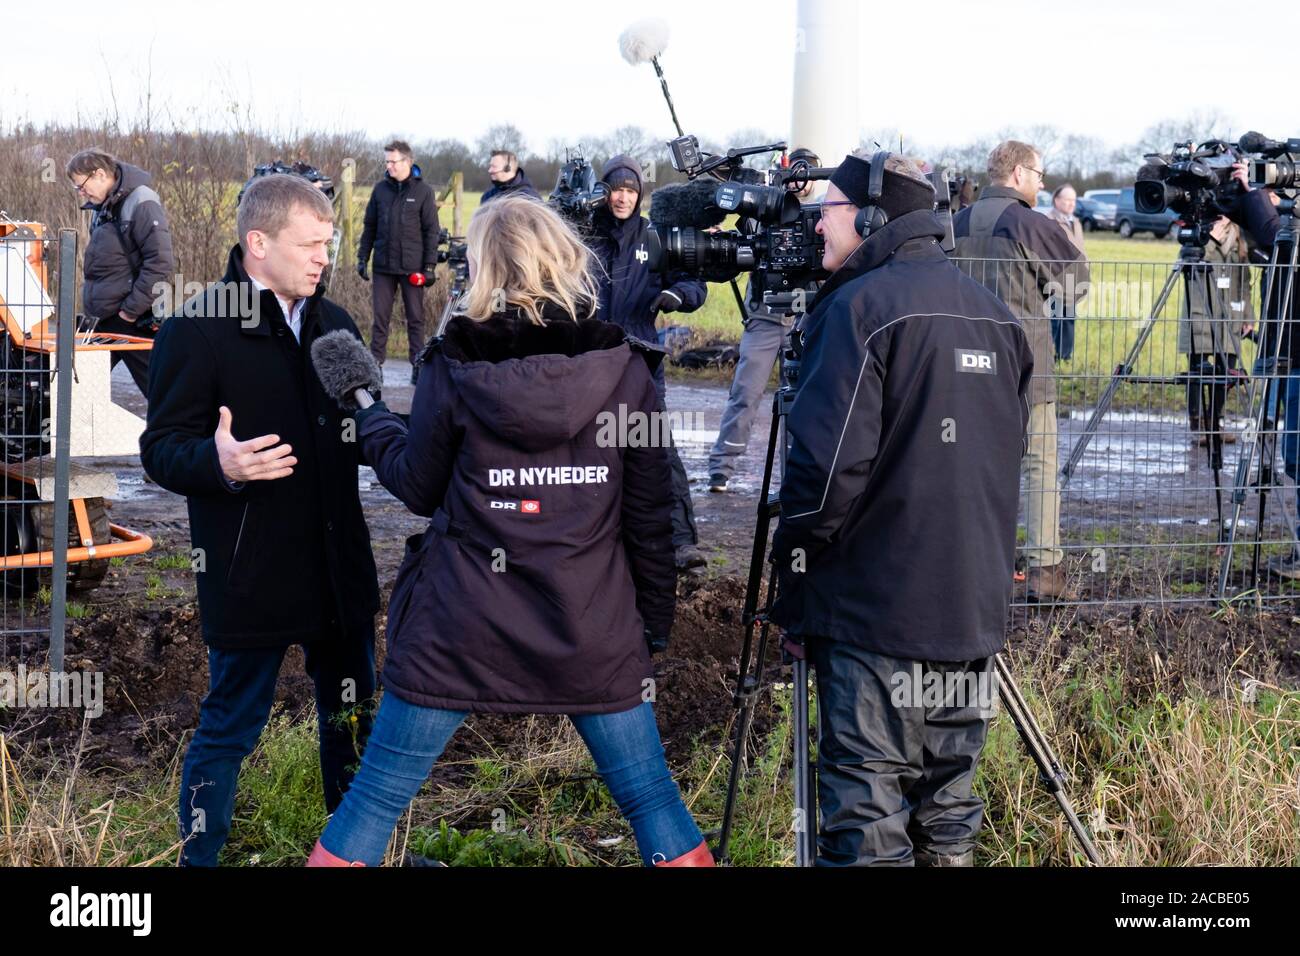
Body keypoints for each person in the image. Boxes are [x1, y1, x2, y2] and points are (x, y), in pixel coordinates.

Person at [305, 195, 712, 867]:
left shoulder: (453, 366)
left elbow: (415, 485)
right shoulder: (627, 370)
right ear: (564, 260)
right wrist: (652, 627)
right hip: (591, 628)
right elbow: (650, 517)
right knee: (655, 805)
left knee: (372, 803)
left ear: (484, 269)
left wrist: (366, 404)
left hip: (461, 627)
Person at [769, 150, 1033, 866]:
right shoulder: (998, 319)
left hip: (873, 619)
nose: (815, 224)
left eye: (825, 207)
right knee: (947, 813)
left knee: (867, 815)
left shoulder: (859, 310)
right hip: (970, 618)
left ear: (869, 215)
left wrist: (789, 576)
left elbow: (824, 480)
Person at [140, 174, 380, 866]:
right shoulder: (198, 327)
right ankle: (199, 856)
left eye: (328, 246)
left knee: (352, 720)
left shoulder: (336, 326)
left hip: (339, 574)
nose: (322, 259)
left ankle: (354, 853)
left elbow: (371, 429)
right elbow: (161, 448)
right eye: (309, 245)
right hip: (251, 574)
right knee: (230, 726)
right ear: (257, 242)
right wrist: (223, 466)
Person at [953, 141, 1090, 601]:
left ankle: (972, 563)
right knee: (1039, 465)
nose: (1042, 183)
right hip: (1025, 366)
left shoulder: (954, 223)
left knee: (971, 464)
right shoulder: (1030, 223)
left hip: (961, 367)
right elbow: (1077, 286)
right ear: (1017, 174)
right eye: (1039, 174)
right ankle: (1044, 570)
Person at [589, 154, 709, 571]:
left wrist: (678, 296)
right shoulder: (581, 237)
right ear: (603, 192)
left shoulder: (654, 239)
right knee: (588, 448)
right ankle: (594, 540)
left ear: (639, 195)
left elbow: (693, 282)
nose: (622, 198)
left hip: (639, 360)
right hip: (586, 360)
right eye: (615, 190)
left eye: (630, 190)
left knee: (654, 446)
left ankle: (680, 541)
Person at [708, 147, 824, 493]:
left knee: (807, 398)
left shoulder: (823, 215)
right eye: (793, 174)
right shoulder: (763, 209)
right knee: (745, 392)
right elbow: (740, 246)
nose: (799, 182)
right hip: (764, 316)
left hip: (807, 319)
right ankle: (721, 468)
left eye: (806, 175)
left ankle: (799, 475)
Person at [1229, 162, 1300, 577]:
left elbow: (1283, 242)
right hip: (1287, 353)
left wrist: (1255, 193)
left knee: (1298, 456)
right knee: (1293, 458)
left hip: (1294, 354)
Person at [66, 147, 175, 396]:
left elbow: (160, 262)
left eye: (81, 185)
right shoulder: (103, 207)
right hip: (103, 319)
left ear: (100, 174)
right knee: (81, 390)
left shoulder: (141, 201)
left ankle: (193, 433)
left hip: (129, 319)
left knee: (163, 395)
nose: (81, 192)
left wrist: (130, 311)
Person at [356, 140, 440, 385]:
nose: (388, 166)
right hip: (383, 266)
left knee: (416, 317)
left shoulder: (423, 192)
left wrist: (430, 266)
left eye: (393, 161)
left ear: (407, 162)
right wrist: (363, 257)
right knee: (380, 317)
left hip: (412, 267)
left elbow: (431, 230)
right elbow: (370, 226)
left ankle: (418, 365)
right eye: (386, 161)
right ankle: (375, 366)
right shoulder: (380, 190)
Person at [1180, 215, 1252, 448]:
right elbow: (1190, 264)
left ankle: (1216, 422)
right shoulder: (1198, 228)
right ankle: (1198, 424)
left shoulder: (1239, 233)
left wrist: (1248, 314)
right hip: (1201, 309)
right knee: (1198, 368)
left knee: (1226, 370)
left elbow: (1244, 279)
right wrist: (1210, 239)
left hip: (1229, 314)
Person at [1044, 183, 1087, 362]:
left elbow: (1081, 249)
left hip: (1074, 279)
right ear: (1056, 200)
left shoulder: (1075, 222)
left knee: (1069, 318)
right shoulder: (1048, 221)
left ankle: (1065, 356)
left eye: (1073, 200)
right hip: (1055, 278)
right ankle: (1049, 357)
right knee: (1055, 319)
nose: (1071, 203)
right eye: (1067, 199)